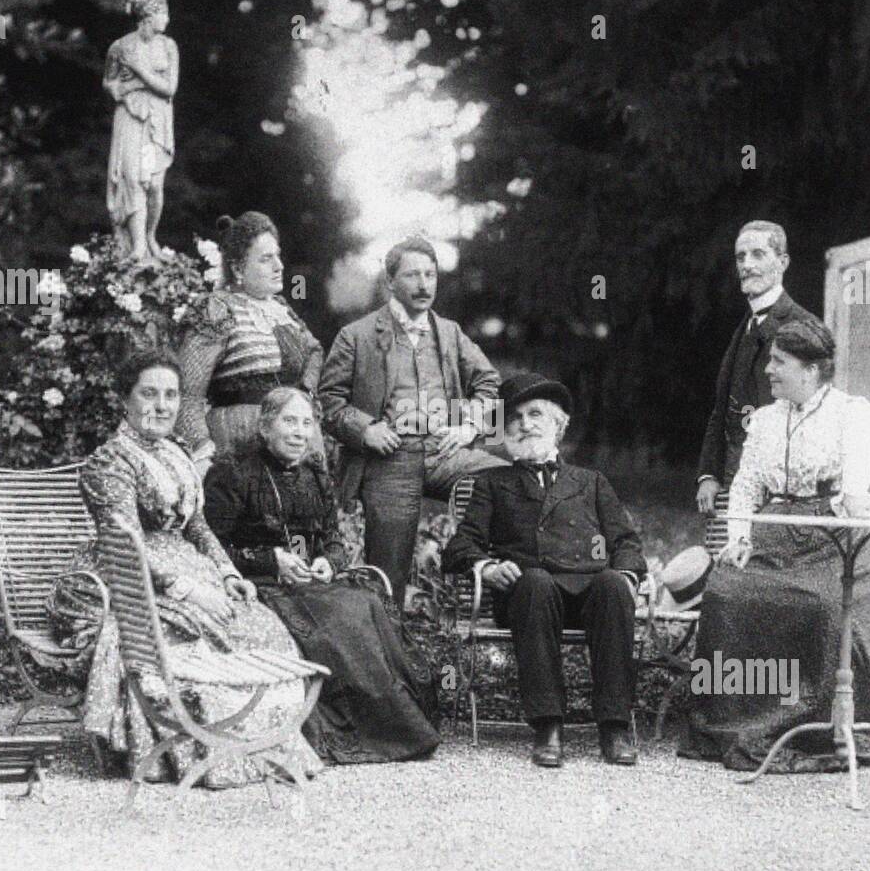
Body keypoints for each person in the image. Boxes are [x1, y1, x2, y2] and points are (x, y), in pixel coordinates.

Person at [680, 318, 870, 772]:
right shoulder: (765, 421)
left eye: (779, 362)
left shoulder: (852, 414)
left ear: (810, 371)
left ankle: (826, 722)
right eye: (770, 360)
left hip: (837, 531)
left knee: (825, 604)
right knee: (727, 592)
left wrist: (856, 526)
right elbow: (746, 485)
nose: (768, 370)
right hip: (777, 530)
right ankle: (736, 720)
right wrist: (740, 536)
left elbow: (855, 486)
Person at [48, 348, 325, 789]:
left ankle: (259, 748)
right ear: (126, 399)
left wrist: (227, 573)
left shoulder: (176, 451)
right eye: (149, 394)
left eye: (172, 395)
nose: (162, 406)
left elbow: (196, 525)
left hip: (191, 567)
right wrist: (189, 591)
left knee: (262, 627)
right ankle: (199, 751)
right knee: (196, 633)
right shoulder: (110, 462)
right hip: (126, 576)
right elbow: (126, 540)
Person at [203, 388, 441, 764]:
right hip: (258, 586)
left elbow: (332, 539)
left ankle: (396, 727)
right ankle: (364, 734)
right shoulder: (233, 472)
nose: (300, 432)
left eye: (307, 423)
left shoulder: (313, 474)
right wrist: (270, 560)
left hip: (311, 583)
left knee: (366, 602)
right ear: (265, 426)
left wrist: (328, 562)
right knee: (337, 619)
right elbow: (212, 547)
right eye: (289, 421)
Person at [442, 373, 647, 768]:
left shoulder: (591, 482)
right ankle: (548, 726)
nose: (525, 423)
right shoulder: (491, 483)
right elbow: (459, 546)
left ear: (560, 425)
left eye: (536, 414)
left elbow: (626, 543)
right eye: (515, 417)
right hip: (527, 595)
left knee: (612, 585)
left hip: (587, 591)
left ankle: (614, 727)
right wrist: (486, 567)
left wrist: (626, 575)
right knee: (534, 580)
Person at [318, 234, 501, 609]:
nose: (423, 285)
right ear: (390, 282)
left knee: (510, 479)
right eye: (413, 275)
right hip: (389, 459)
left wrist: (467, 427)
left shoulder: (449, 333)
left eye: (430, 275)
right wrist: (366, 429)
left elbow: (490, 382)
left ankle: (485, 594)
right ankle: (388, 641)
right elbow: (328, 402)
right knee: (387, 573)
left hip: (443, 452)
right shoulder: (357, 336)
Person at [175, 211, 324, 472]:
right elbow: (188, 394)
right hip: (240, 443)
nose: (279, 266)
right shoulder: (215, 309)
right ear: (237, 268)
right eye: (266, 259)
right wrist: (201, 450)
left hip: (298, 440)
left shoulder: (282, 309)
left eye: (277, 256)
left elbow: (314, 350)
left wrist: (303, 394)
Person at [696, 220, 817, 521]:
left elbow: (810, 415)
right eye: (741, 257)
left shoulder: (803, 326)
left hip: (778, 487)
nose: (747, 265)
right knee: (725, 560)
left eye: (758, 255)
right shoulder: (744, 327)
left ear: (783, 262)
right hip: (732, 478)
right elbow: (722, 407)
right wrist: (709, 474)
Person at [103, 0, 178, 262]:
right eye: (163, 14)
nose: (167, 20)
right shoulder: (120, 47)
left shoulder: (168, 46)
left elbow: (169, 88)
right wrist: (122, 87)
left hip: (158, 119)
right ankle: (136, 246)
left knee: (156, 186)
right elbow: (109, 82)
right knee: (133, 180)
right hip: (130, 116)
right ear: (148, 17)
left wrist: (139, 71)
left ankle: (150, 236)